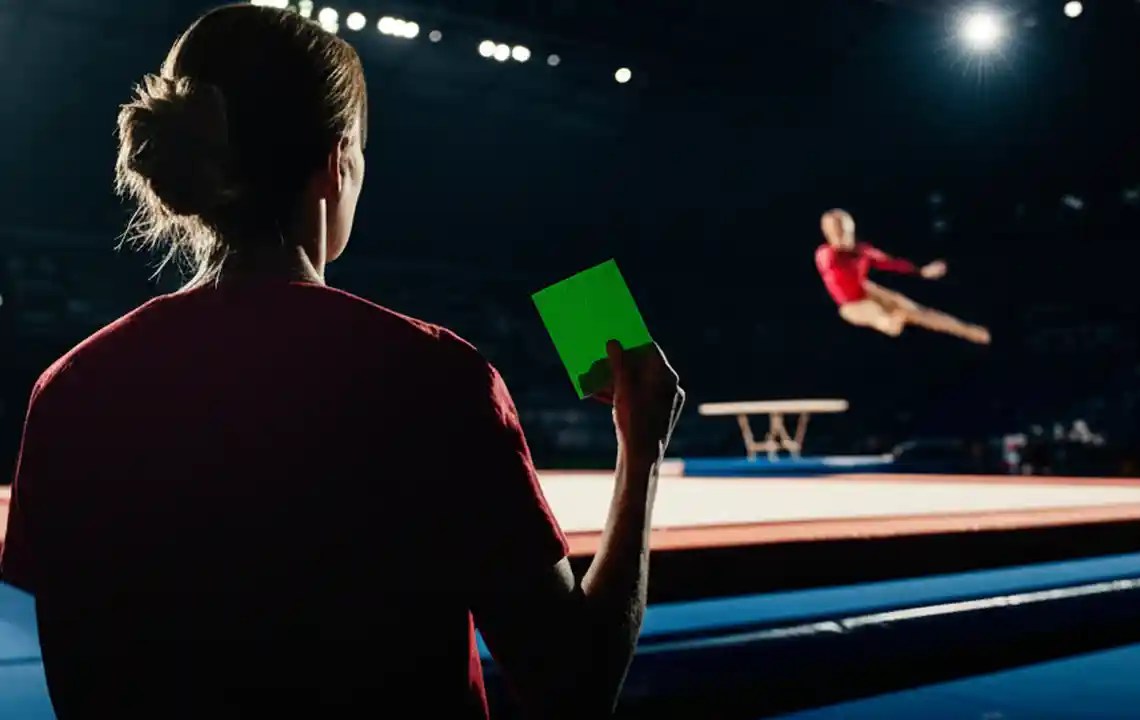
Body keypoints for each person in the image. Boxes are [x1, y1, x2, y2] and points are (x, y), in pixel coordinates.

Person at [0, 5, 684, 719]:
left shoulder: (73, 390)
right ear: (335, 164)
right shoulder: (434, 377)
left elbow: (79, 690)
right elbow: (574, 684)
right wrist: (641, 453)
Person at [814, 209, 991, 344]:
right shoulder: (826, 254)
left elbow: (890, 263)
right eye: (833, 233)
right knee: (880, 316)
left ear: (850, 230)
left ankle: (970, 332)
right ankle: (892, 322)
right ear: (827, 235)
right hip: (850, 305)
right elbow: (829, 263)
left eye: (842, 231)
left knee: (919, 312)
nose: (840, 237)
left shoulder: (863, 250)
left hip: (867, 289)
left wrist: (920, 271)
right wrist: (847, 249)